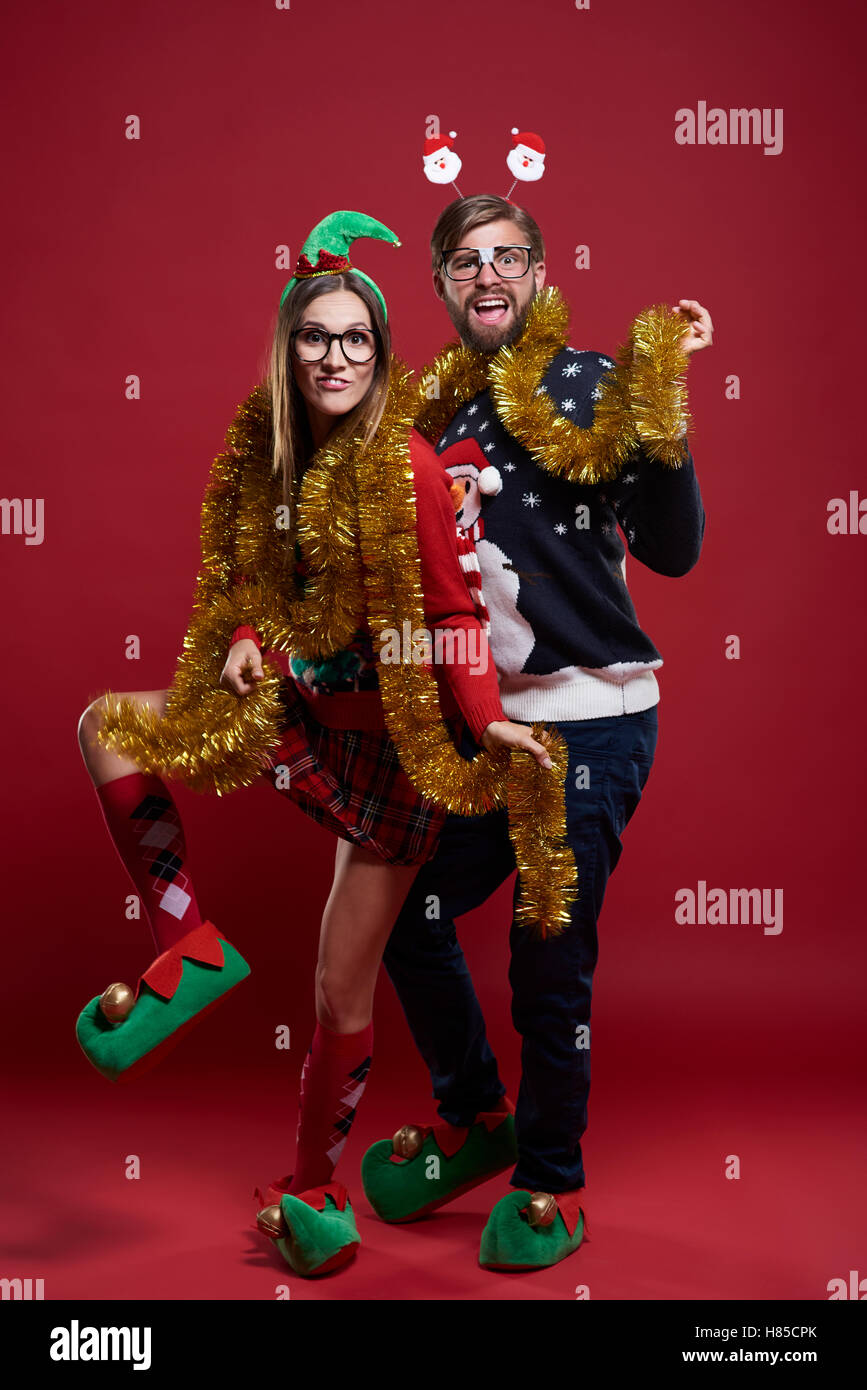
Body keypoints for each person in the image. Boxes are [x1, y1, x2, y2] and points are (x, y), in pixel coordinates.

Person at [75, 210, 560, 1278]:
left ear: (380, 355)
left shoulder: (411, 471)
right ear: (287, 346)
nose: (334, 356)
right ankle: (185, 940)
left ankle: (314, 1186)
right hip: (295, 724)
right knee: (108, 725)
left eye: (356, 338)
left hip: (393, 762)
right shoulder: (271, 461)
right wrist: (248, 639)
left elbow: (453, 617)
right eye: (315, 336)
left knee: (340, 991)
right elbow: (254, 586)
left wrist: (486, 725)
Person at [361, 194, 713, 1271]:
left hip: (594, 721)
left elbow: (676, 550)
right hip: (491, 730)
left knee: (547, 960)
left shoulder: (595, 385)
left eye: (507, 256)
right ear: (441, 284)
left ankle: (554, 1178)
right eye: (464, 261)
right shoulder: (433, 421)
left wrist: (668, 414)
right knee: (412, 910)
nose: (486, 275)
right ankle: (480, 1117)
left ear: (542, 271)